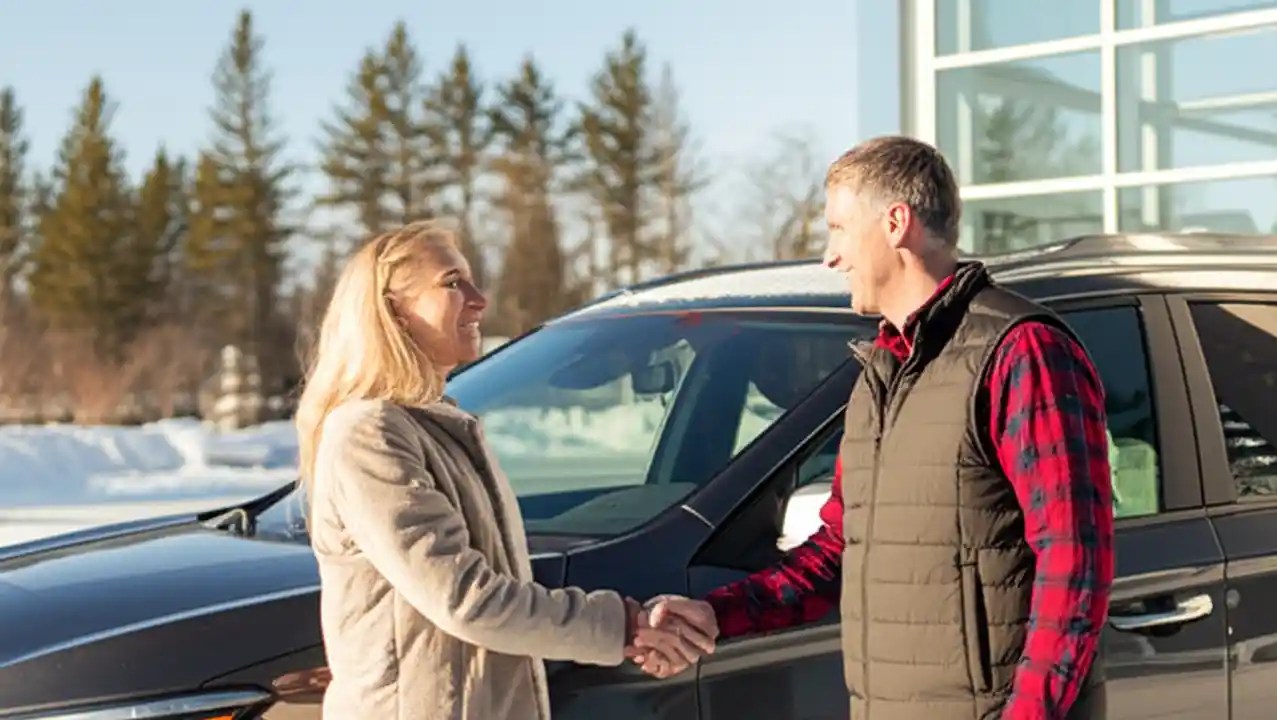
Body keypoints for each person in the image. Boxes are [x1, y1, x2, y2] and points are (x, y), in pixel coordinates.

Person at [649, 136, 1115, 719]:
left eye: (839, 228)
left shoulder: (1021, 353)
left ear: (896, 223)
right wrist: (718, 613)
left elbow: (1074, 561)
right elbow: (838, 553)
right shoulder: (879, 376)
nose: (830, 257)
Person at [294, 220, 715, 720]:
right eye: (453, 283)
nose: (479, 299)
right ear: (393, 312)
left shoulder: (436, 425)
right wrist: (622, 625)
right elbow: (467, 598)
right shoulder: (369, 433)